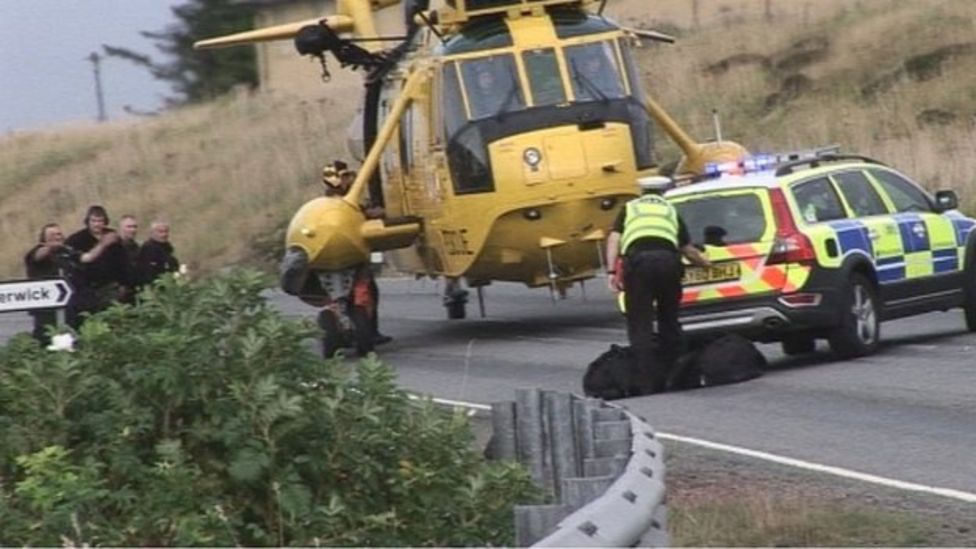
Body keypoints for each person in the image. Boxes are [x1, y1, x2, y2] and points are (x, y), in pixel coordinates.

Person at [605, 177, 711, 394]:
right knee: (669, 319)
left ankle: (647, 383)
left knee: (640, 322)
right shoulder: (670, 211)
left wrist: (611, 271)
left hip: (639, 264)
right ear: (664, 193)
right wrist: (705, 263)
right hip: (668, 263)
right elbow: (688, 250)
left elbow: (614, 240)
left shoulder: (630, 209)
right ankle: (675, 375)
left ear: (642, 192)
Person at [321, 160, 392, 345]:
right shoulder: (343, 204)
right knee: (369, 291)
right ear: (336, 179)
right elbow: (363, 215)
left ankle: (368, 330)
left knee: (368, 291)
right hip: (347, 258)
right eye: (345, 176)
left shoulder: (325, 204)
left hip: (342, 257)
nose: (349, 180)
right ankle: (371, 331)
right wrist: (377, 213)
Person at [64, 205, 129, 328]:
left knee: (113, 322)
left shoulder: (113, 237)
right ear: (88, 221)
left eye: (100, 221)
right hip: (86, 289)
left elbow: (122, 262)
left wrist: (123, 284)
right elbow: (79, 261)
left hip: (110, 287)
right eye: (93, 221)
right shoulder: (76, 240)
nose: (97, 224)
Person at [23, 224, 72, 343]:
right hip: (45, 310)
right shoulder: (36, 253)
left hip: (68, 309)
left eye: (59, 234)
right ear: (43, 240)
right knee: (45, 340)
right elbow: (38, 255)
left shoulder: (66, 253)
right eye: (52, 235)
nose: (57, 237)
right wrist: (51, 246)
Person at [138, 220, 180, 285]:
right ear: (152, 233)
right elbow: (147, 272)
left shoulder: (167, 247)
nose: (164, 234)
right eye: (160, 232)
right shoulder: (149, 248)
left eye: (166, 231)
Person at [118, 214, 140, 303]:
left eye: (135, 227)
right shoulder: (113, 248)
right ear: (121, 228)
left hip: (135, 293)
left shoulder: (139, 249)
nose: (133, 230)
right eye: (129, 227)